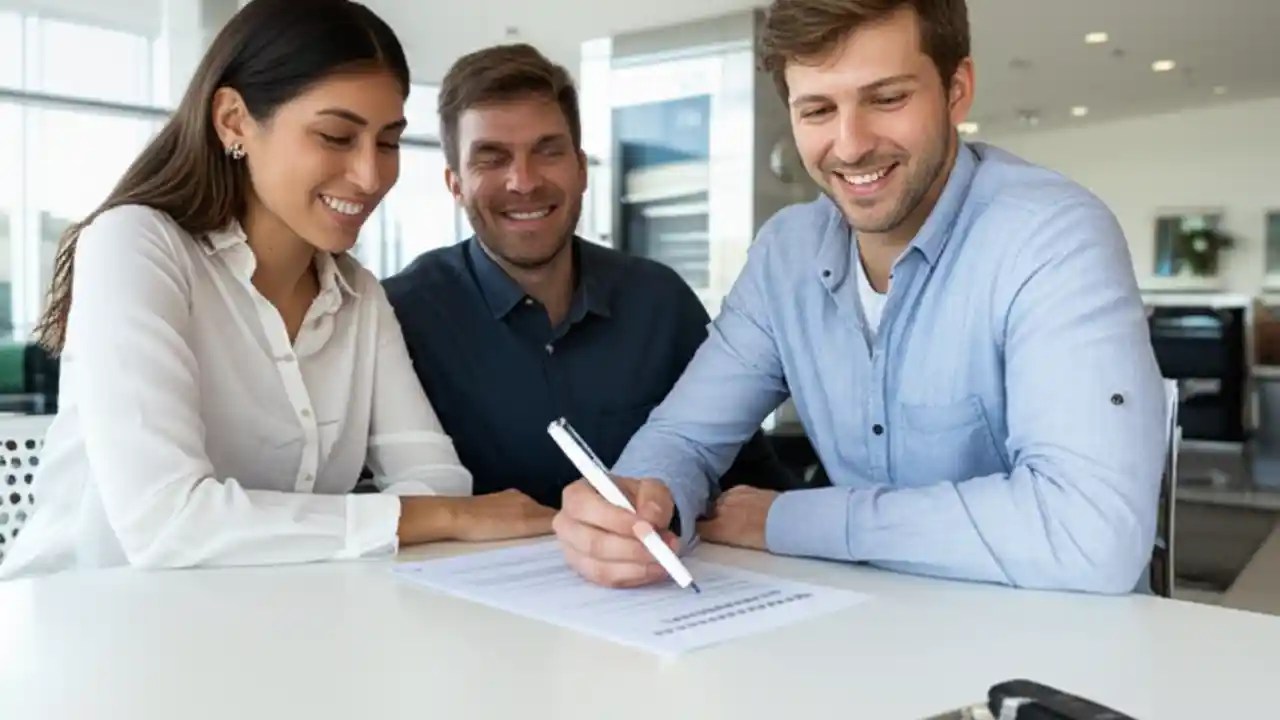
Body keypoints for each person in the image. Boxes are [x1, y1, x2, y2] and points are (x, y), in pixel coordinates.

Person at [553, 0, 1166, 595]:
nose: (850, 146)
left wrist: (787, 520)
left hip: (1054, 643)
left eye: (887, 98)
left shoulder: (1051, 237)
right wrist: (640, 504)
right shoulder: (786, 255)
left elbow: (1091, 533)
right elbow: (685, 438)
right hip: (863, 629)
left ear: (956, 90)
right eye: (818, 109)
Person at [0, 0, 553, 580]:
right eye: (336, 136)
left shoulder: (359, 296)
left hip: (265, 615)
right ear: (233, 120)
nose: (370, 176)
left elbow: (436, 481)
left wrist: (433, 514)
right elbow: (167, 521)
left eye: (388, 143)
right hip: (82, 617)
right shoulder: (135, 245)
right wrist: (431, 518)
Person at [383, 44, 792, 512]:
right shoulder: (399, 317)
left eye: (547, 151)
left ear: (580, 169)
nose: (523, 181)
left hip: (656, 559)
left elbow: (749, 480)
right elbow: (372, 509)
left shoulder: (660, 303)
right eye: (492, 158)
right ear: (455, 184)